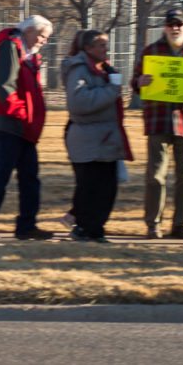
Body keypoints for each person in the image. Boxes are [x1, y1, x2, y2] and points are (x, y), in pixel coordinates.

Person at [0, 16, 55, 241]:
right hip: (9, 123)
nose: (44, 40)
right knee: (1, 175)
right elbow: (5, 85)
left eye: (47, 37)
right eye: (42, 35)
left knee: (30, 177)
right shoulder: (10, 47)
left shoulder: (30, 54)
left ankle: (26, 226)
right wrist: (22, 113)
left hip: (24, 126)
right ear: (28, 31)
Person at [134, 9, 183, 240]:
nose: (175, 28)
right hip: (159, 121)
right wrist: (140, 81)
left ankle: (182, 225)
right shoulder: (151, 52)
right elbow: (135, 82)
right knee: (156, 175)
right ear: (164, 27)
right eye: (170, 24)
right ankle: (153, 224)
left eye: (179, 24)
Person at [62, 28, 130, 242]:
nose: (105, 48)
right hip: (87, 138)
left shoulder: (104, 69)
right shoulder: (78, 69)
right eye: (101, 44)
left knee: (107, 188)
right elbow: (79, 102)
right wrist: (112, 90)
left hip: (106, 138)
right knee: (90, 187)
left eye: (105, 44)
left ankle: (96, 229)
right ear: (88, 48)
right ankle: (83, 228)